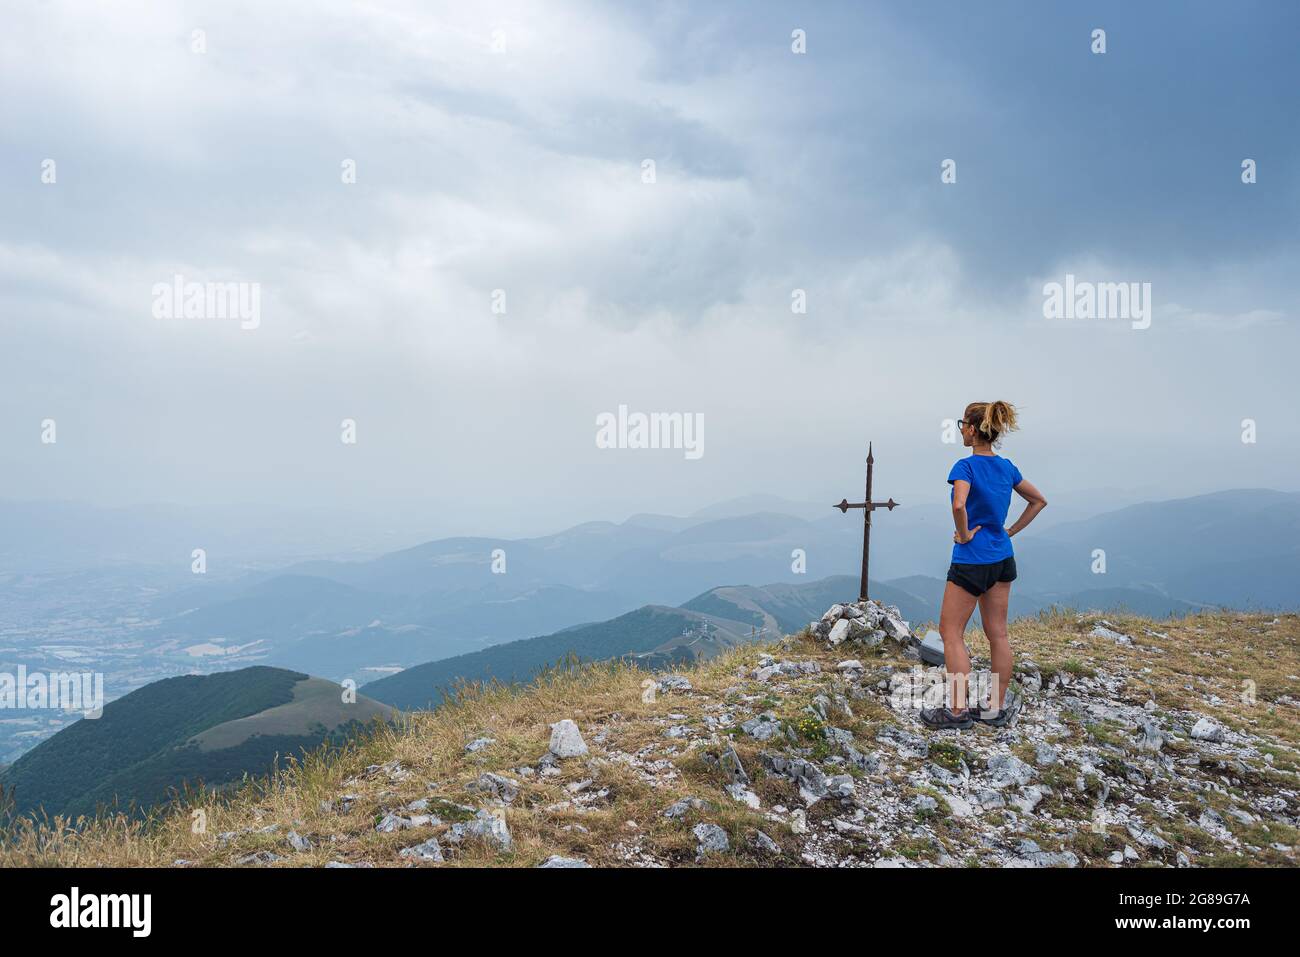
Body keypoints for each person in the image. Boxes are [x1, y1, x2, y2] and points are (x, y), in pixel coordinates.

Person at [920, 401, 1047, 730]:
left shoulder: (965, 467)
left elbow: (959, 504)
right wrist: (1011, 531)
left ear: (973, 429)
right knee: (998, 634)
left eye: (963, 423)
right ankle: (995, 708)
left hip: (972, 561)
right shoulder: (1006, 467)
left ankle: (958, 711)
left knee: (951, 632)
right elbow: (1038, 500)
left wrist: (963, 535)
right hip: (1002, 558)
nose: (961, 428)